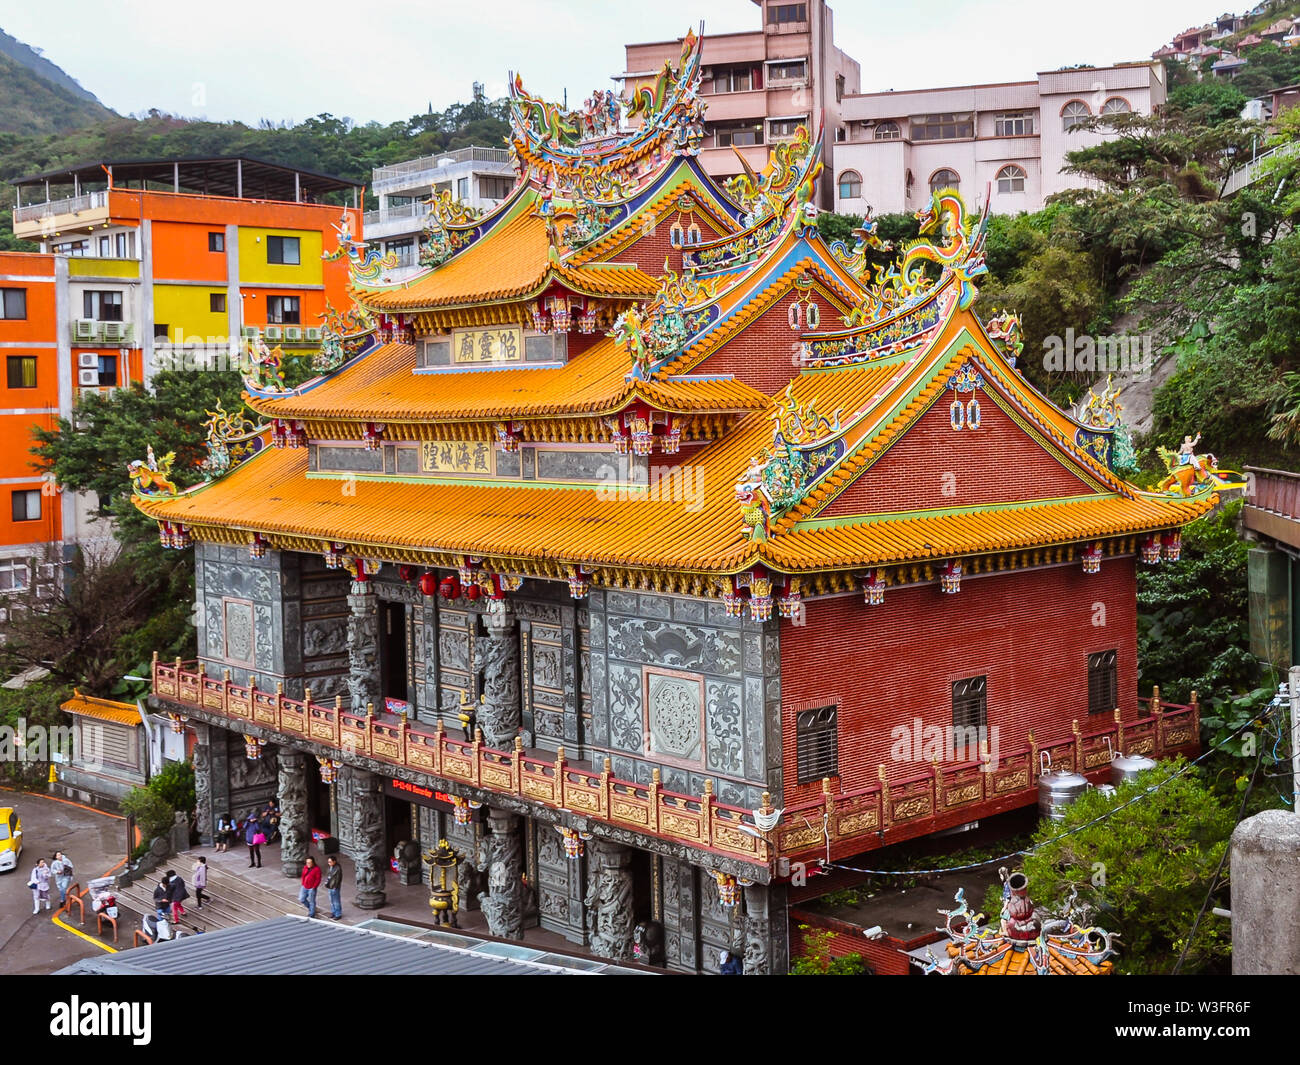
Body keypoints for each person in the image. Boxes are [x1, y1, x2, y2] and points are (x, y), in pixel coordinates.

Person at [324, 855, 343, 920]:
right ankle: (333, 912)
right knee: (332, 900)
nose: (329, 863)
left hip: (334, 887)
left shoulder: (337, 869)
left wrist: (335, 886)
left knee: (336, 901)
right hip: (330, 886)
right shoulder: (330, 867)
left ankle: (338, 914)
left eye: (330, 862)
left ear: (334, 861)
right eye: (328, 862)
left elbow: (338, 879)